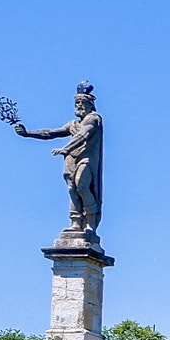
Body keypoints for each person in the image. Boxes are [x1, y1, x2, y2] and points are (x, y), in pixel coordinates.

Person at [14, 82, 103, 236]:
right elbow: (51, 133)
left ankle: (90, 221)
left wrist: (66, 148)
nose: (79, 105)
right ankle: (75, 222)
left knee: (81, 184)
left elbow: (84, 136)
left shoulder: (93, 119)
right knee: (71, 188)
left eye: (82, 102)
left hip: (86, 159)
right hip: (70, 159)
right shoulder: (73, 124)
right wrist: (28, 133)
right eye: (77, 103)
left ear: (90, 105)